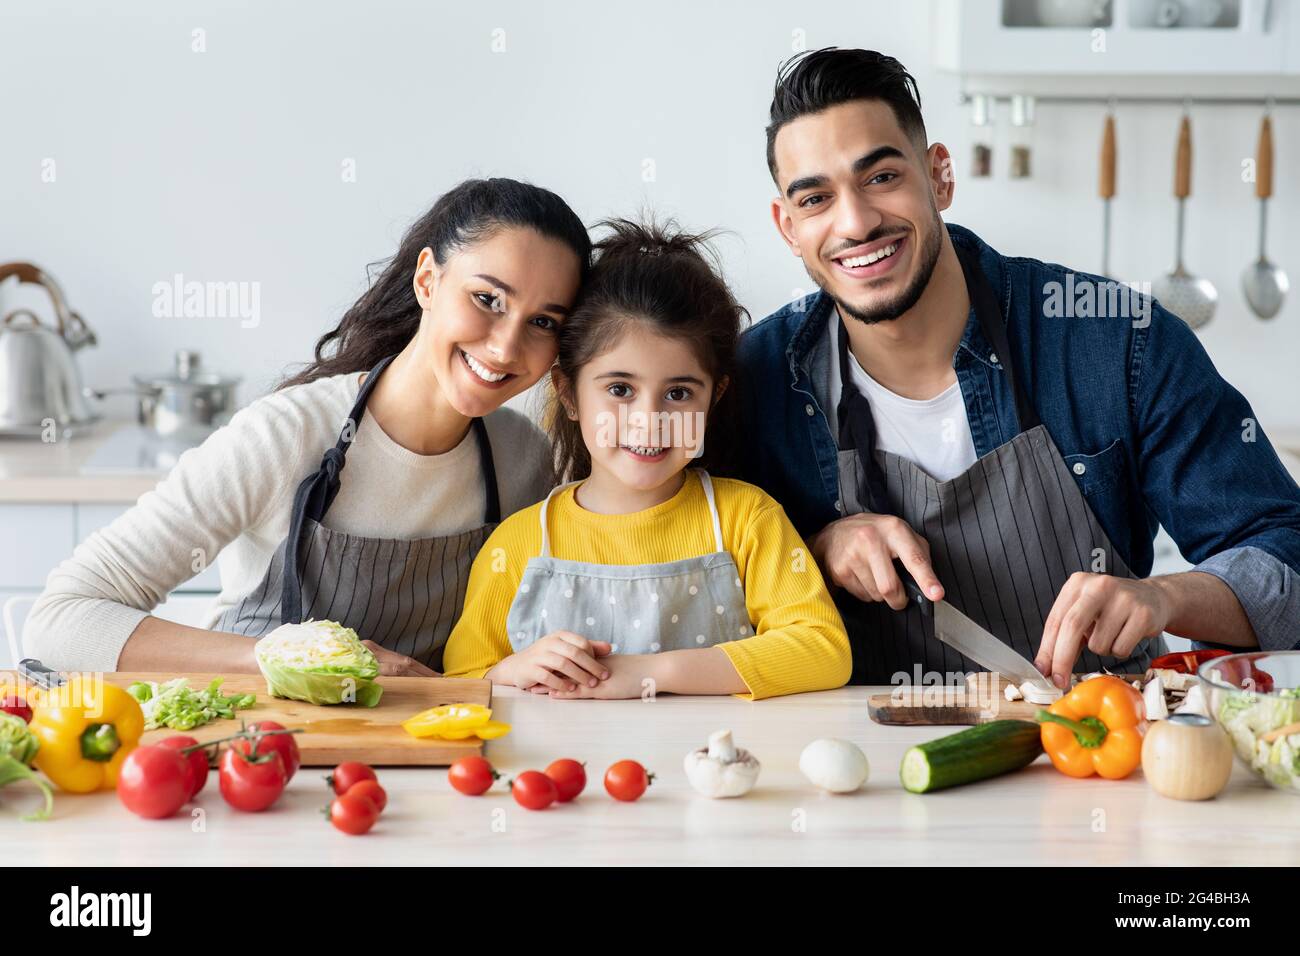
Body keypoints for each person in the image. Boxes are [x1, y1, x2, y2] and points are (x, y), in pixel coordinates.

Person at [736, 48, 1300, 689]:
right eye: (816, 199)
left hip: (1097, 744)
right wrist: (811, 554)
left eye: (882, 178)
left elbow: (1286, 551)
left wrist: (1165, 596)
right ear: (788, 226)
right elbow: (690, 574)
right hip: (863, 763)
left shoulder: (1118, 342)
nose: (857, 223)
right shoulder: (755, 381)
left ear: (939, 176)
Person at [26, 178, 589, 675]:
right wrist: (280, 655)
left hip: (423, 759)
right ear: (427, 281)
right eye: (487, 298)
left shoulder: (522, 458)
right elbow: (60, 619)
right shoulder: (283, 436)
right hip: (258, 757)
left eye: (542, 322)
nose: (505, 345)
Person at [442, 219, 852, 699]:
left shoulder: (747, 518)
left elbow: (823, 650)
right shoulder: (516, 545)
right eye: (620, 389)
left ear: (713, 398)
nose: (648, 419)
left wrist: (649, 674)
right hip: (570, 773)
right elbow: (460, 684)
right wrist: (511, 670)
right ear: (569, 394)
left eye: (678, 392)